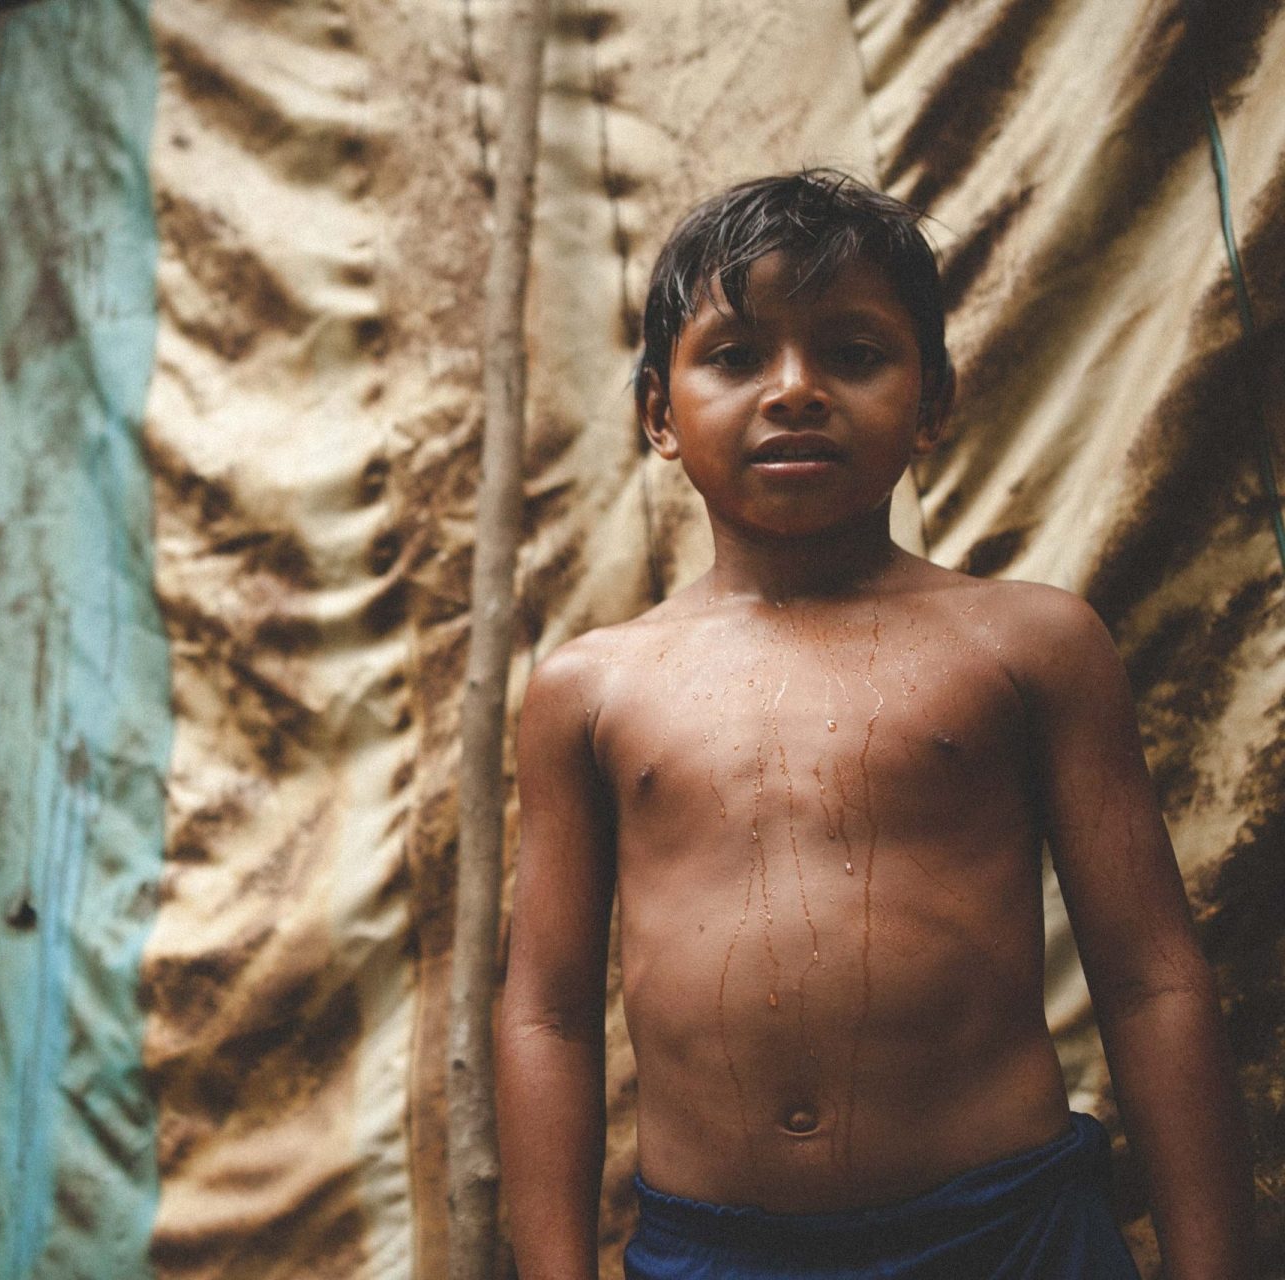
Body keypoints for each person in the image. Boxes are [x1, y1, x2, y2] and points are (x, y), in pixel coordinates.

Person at [495, 171, 1253, 1279]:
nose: (795, 390)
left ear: (933, 402)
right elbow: (547, 1018)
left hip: (1009, 1232)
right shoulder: (592, 688)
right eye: (738, 356)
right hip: (718, 1250)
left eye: (852, 353)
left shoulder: (1029, 643)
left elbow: (1151, 980)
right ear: (659, 412)